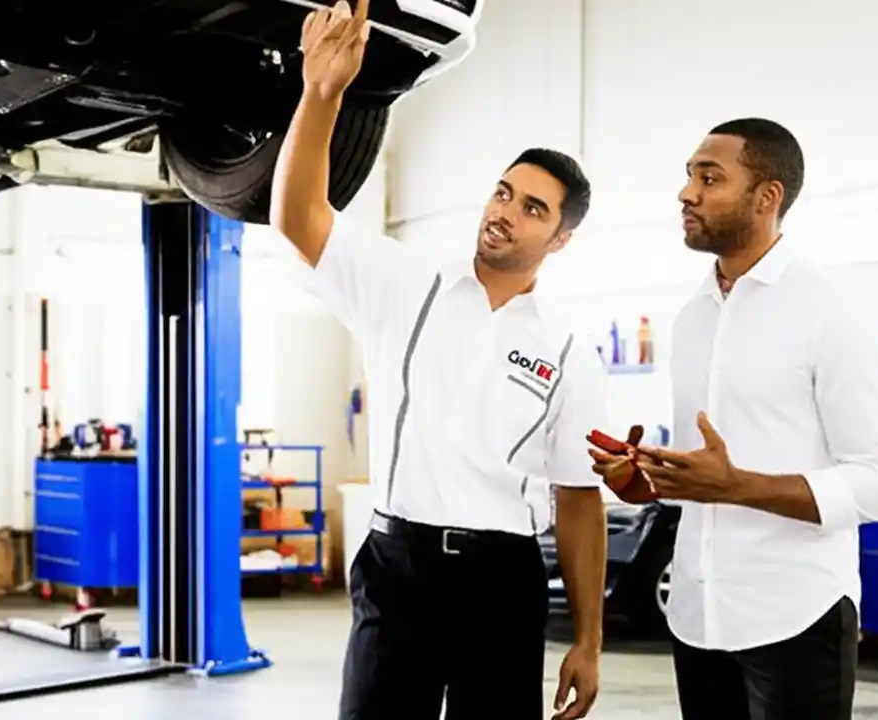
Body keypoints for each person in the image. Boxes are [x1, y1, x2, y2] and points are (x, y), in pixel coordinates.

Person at [271, 3, 608, 719]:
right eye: (503, 191)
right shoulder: (406, 282)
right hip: (400, 569)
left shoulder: (570, 350)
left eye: (533, 209)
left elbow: (579, 497)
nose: (505, 211)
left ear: (560, 239)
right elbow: (298, 219)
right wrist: (321, 93)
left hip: (505, 579)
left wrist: (588, 638)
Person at [589, 118, 878, 719]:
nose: (687, 192)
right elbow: (705, 475)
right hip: (698, 616)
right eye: (688, 176)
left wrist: (738, 487)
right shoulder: (692, 318)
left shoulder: (833, 314)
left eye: (710, 178)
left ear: (767, 198)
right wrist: (646, 478)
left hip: (796, 614)